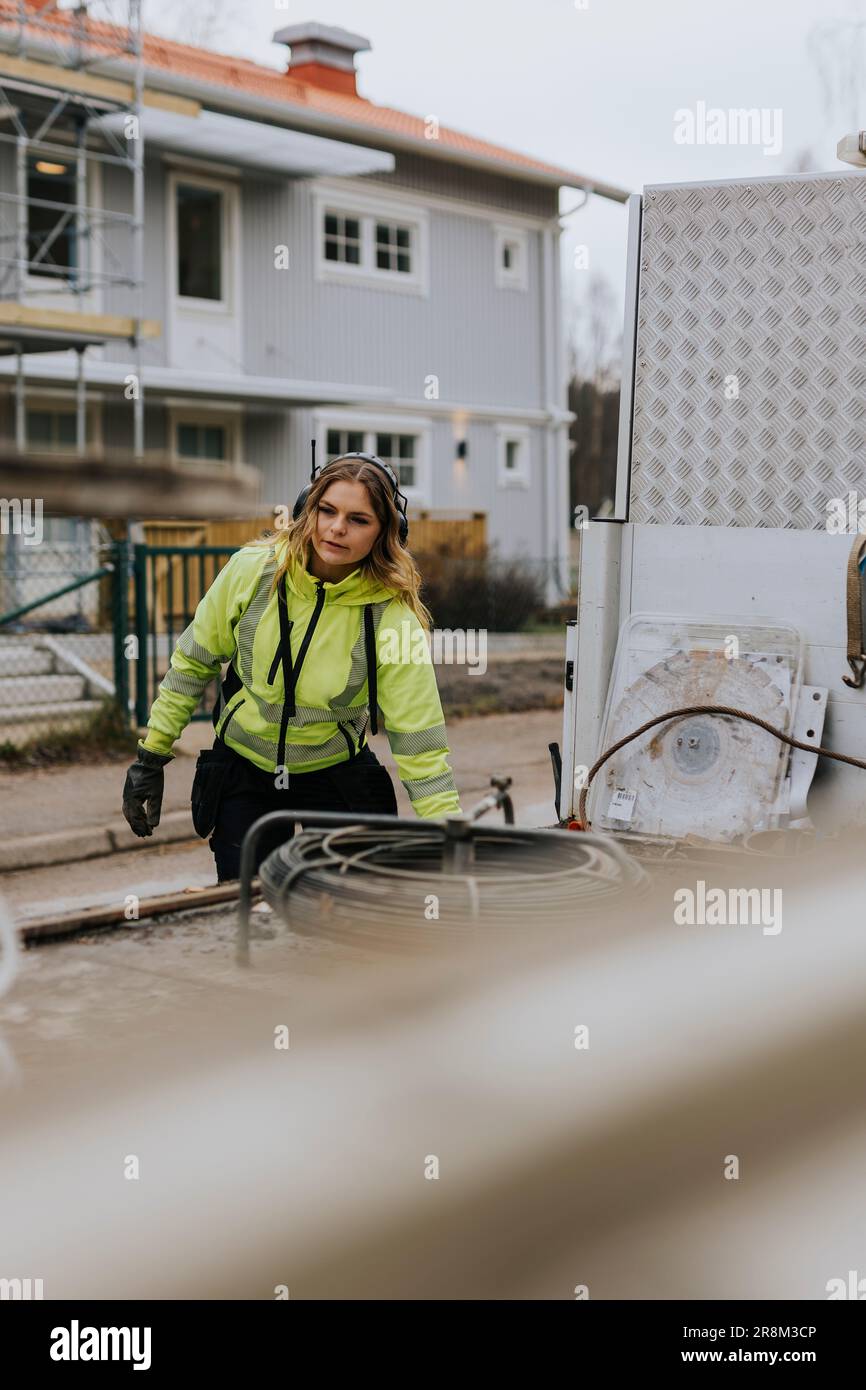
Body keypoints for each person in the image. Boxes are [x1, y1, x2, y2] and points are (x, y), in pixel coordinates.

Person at [121, 452, 462, 882]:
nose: (337, 528)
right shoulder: (252, 571)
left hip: (333, 769)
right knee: (247, 908)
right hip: (244, 767)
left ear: (385, 533)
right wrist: (151, 755)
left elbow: (420, 741)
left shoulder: (391, 618)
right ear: (308, 509)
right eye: (327, 510)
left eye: (359, 520)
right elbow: (193, 663)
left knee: (351, 902)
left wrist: (447, 836)